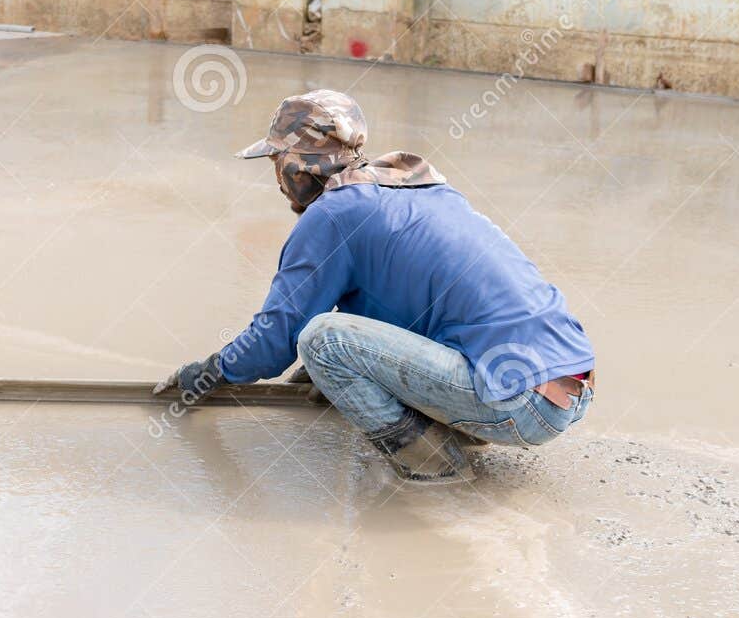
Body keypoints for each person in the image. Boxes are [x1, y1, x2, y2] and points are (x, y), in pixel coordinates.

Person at [154, 89, 595, 483]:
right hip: (568, 384)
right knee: (329, 344)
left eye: (276, 161)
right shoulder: (417, 190)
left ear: (297, 166)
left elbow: (276, 340)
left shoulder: (332, 214)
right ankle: (460, 431)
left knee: (322, 341)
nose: (276, 175)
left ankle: (431, 461)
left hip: (521, 403)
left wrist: (211, 371)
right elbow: (401, 302)